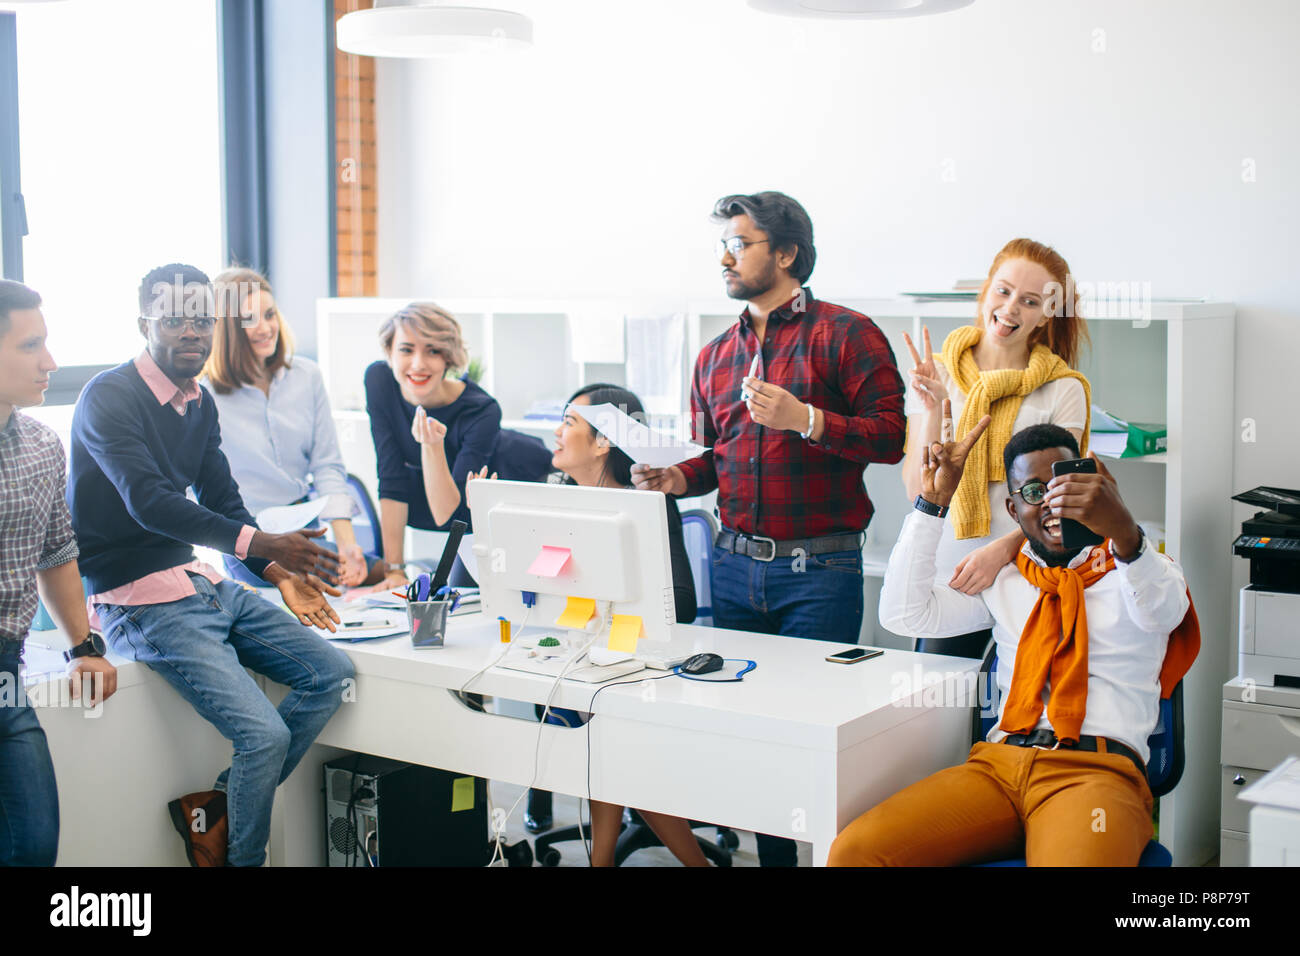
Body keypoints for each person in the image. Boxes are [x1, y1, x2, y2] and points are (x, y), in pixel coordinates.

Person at [632, 191, 906, 866]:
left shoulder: (847, 333)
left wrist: (805, 418)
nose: (726, 257)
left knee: (808, 743)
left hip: (819, 572)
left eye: (741, 243)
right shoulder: (715, 356)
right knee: (750, 743)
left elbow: (892, 438)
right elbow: (715, 460)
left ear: (786, 254)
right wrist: (676, 479)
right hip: (731, 569)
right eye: (722, 245)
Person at [67, 263, 355, 867]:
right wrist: (269, 545)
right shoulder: (109, 396)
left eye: (201, 318)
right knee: (264, 735)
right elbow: (150, 504)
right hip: (137, 601)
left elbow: (223, 503)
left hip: (200, 584)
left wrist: (280, 577)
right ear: (143, 323)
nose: (191, 331)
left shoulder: (196, 404)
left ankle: (218, 812)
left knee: (329, 674)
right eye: (174, 319)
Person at [828, 418, 1198, 866]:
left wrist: (1124, 530)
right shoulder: (1006, 580)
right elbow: (905, 614)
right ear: (1012, 509)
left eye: (1064, 486)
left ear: (1095, 490)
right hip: (997, 769)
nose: (1051, 504)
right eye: (1033, 492)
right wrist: (933, 503)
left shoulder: (1141, 571)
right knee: (857, 853)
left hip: (1095, 774)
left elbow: (1163, 611)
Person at [517, 385, 702, 862]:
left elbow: (680, 601)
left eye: (569, 422)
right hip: (575, 655)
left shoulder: (647, 503)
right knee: (608, 741)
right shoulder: (556, 498)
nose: (556, 433)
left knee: (612, 740)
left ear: (603, 442)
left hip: (636, 662)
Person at [899, 238, 1091, 657]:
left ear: (1046, 316)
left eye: (1030, 301)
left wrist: (1001, 552)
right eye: (1003, 291)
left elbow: (1062, 508)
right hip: (948, 578)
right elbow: (918, 492)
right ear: (985, 291)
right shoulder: (938, 373)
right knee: (941, 712)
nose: (1010, 309)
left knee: (1012, 713)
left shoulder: (1063, 389)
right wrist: (932, 408)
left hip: (1025, 576)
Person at [0, 280, 118, 866]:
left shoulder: (43, 445)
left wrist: (84, 646)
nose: (50, 362)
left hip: (5, 669)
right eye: (31, 346)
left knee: (33, 843)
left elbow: (55, 553)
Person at [205, 268, 383, 588]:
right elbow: (200, 496)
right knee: (316, 588)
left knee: (385, 573)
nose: (266, 328)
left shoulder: (306, 376)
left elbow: (327, 465)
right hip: (248, 541)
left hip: (306, 526)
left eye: (270, 314)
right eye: (250, 319)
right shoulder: (204, 396)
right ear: (227, 329)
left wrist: (347, 544)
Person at [364, 302, 551, 590]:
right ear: (389, 352)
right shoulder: (379, 381)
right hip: (449, 503)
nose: (418, 364)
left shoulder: (482, 410)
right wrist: (394, 572)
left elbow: (447, 515)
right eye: (406, 349)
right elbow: (390, 478)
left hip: (513, 487)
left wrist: (432, 446)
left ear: (449, 358)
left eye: (433, 351)